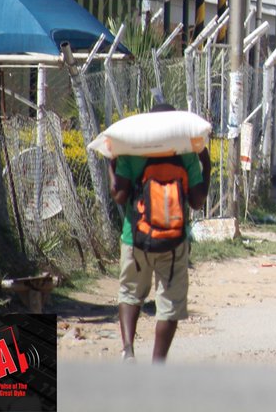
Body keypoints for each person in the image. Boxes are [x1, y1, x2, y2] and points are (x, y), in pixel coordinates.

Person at [113, 104, 209, 364]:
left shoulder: (131, 154)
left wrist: (113, 163)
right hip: (174, 243)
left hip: (135, 239)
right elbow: (197, 201)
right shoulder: (185, 155)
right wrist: (206, 163)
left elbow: (120, 196)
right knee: (170, 304)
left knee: (130, 294)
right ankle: (157, 364)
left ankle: (129, 350)